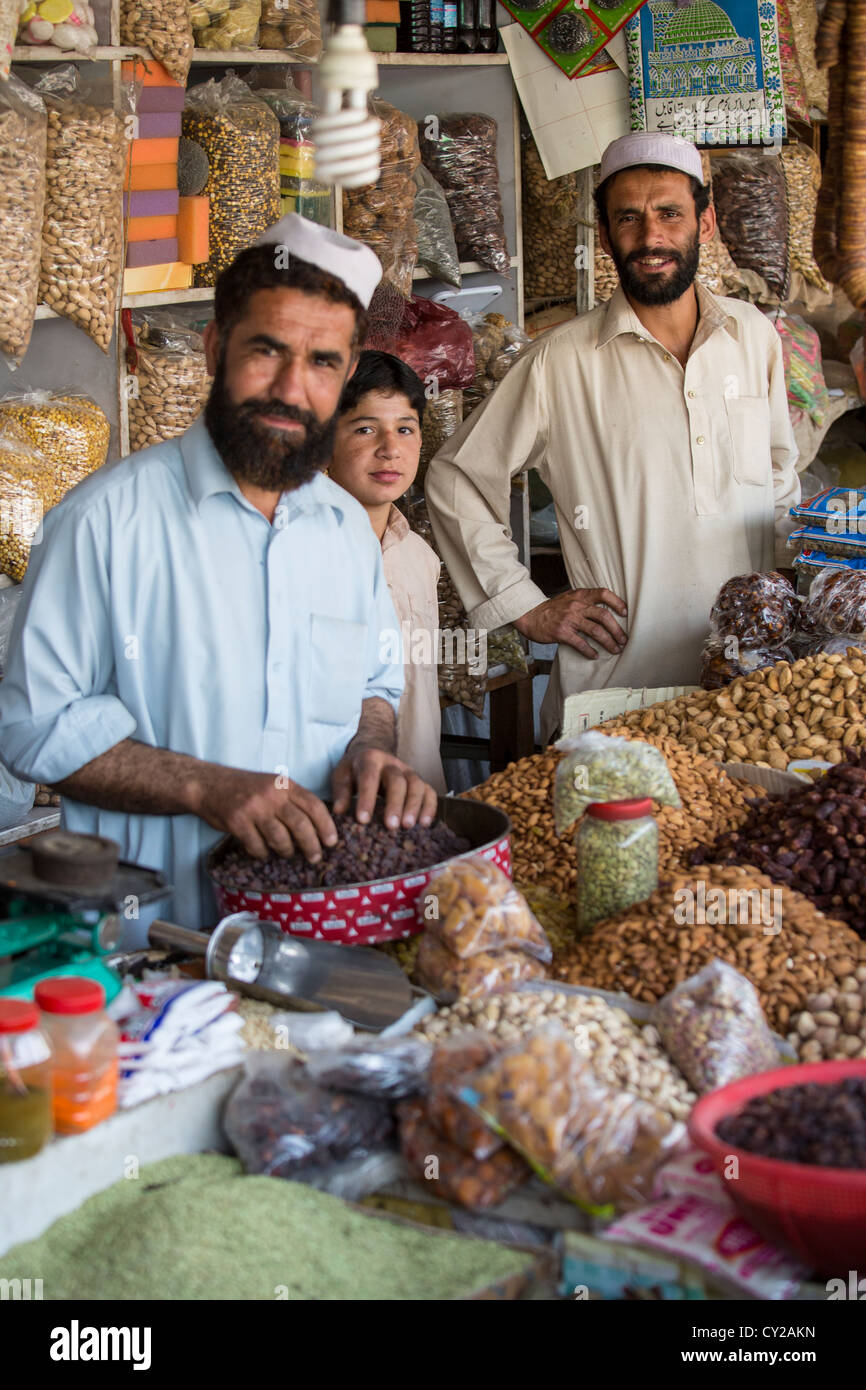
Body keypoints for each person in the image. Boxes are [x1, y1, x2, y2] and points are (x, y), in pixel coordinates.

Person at [0, 215, 439, 944]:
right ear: (214, 347)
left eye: (324, 363)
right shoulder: (104, 523)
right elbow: (34, 726)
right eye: (268, 352)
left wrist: (369, 750)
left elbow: (373, 686)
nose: (293, 389)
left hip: (316, 934)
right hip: (160, 944)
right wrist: (209, 787)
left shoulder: (343, 531)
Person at [425, 131, 801, 741]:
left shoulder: (752, 336)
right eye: (629, 218)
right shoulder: (562, 361)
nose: (651, 237)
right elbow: (456, 476)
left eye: (669, 214)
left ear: (704, 224)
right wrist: (525, 604)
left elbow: (780, 478)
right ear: (605, 237)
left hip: (746, 688)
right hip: (619, 696)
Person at [329, 350, 447, 793]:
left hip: (419, 788)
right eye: (365, 429)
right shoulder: (302, 556)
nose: (390, 450)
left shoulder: (418, 556)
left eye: (404, 429)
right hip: (340, 796)